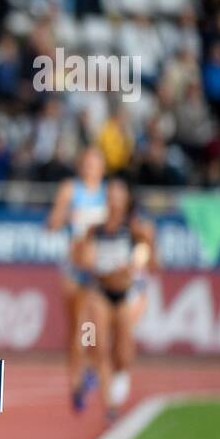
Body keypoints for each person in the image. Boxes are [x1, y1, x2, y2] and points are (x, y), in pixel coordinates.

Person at [73, 179, 155, 421]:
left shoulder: (135, 229)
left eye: (119, 194)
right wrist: (104, 269)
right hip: (100, 291)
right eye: (110, 194)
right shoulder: (95, 229)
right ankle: (111, 407)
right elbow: (85, 261)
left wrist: (145, 251)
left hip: (125, 294)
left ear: (126, 199)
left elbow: (153, 262)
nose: (114, 199)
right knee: (99, 348)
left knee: (123, 354)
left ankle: (112, 376)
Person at [47, 146, 107, 412]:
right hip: (74, 268)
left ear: (103, 167)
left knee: (95, 330)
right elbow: (52, 223)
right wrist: (66, 215)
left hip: (101, 271)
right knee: (77, 330)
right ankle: (74, 383)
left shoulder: (110, 194)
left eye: (95, 163)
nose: (90, 167)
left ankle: (93, 368)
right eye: (86, 162)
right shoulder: (71, 190)